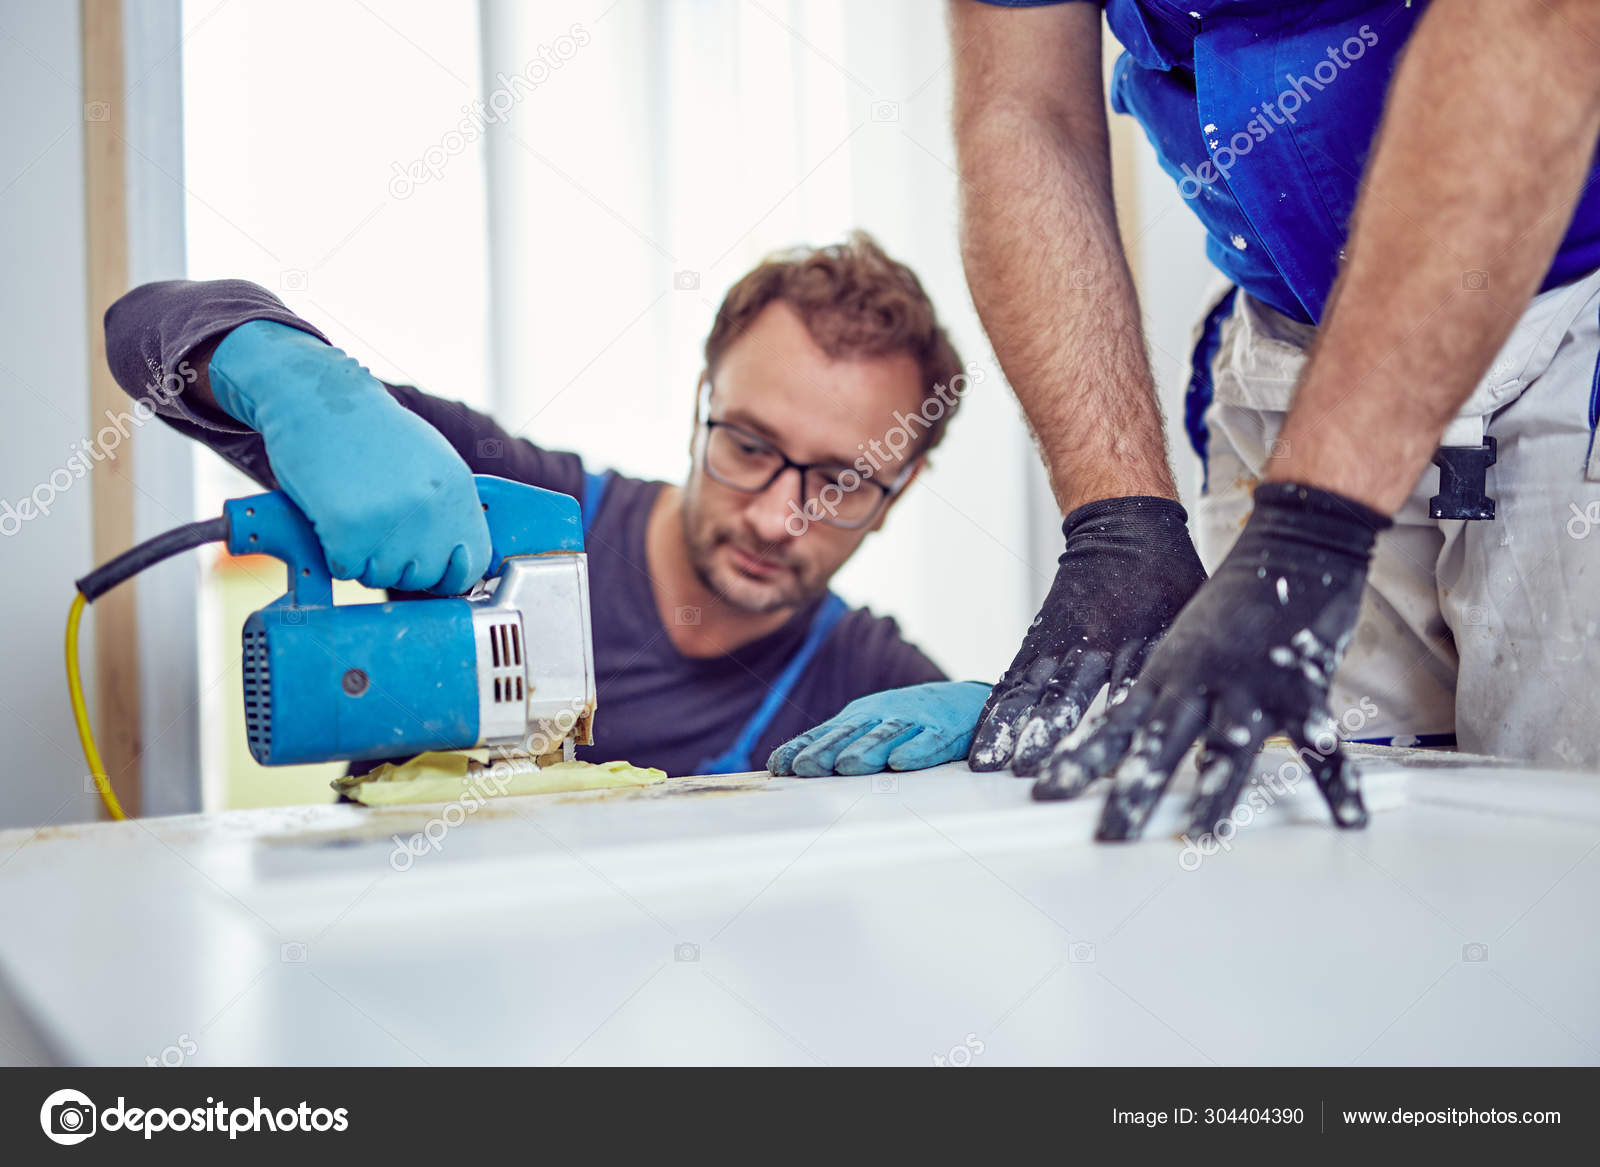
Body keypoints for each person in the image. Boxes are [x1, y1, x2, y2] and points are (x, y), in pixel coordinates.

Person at [947, 0, 1600, 839]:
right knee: (1310, 842)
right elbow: (1025, 109)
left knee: (1555, 846)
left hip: (1567, 312)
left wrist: (1311, 523)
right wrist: (1118, 523)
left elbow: (1531, 22)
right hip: (1288, 335)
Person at [104, 232, 990, 777]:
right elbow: (142, 327)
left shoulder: (874, 687)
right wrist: (284, 378)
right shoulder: (512, 502)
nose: (772, 517)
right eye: (749, 446)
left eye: (839, 483)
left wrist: (1003, 721)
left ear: (897, 489)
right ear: (698, 407)